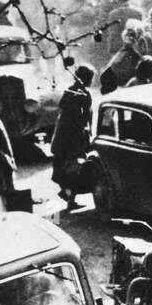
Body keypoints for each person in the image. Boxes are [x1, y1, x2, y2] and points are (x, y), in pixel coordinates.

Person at [50, 65, 95, 208]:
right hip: (73, 137)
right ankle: (70, 198)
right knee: (74, 169)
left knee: (66, 167)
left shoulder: (70, 91)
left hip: (64, 135)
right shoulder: (83, 94)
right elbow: (83, 117)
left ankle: (68, 195)